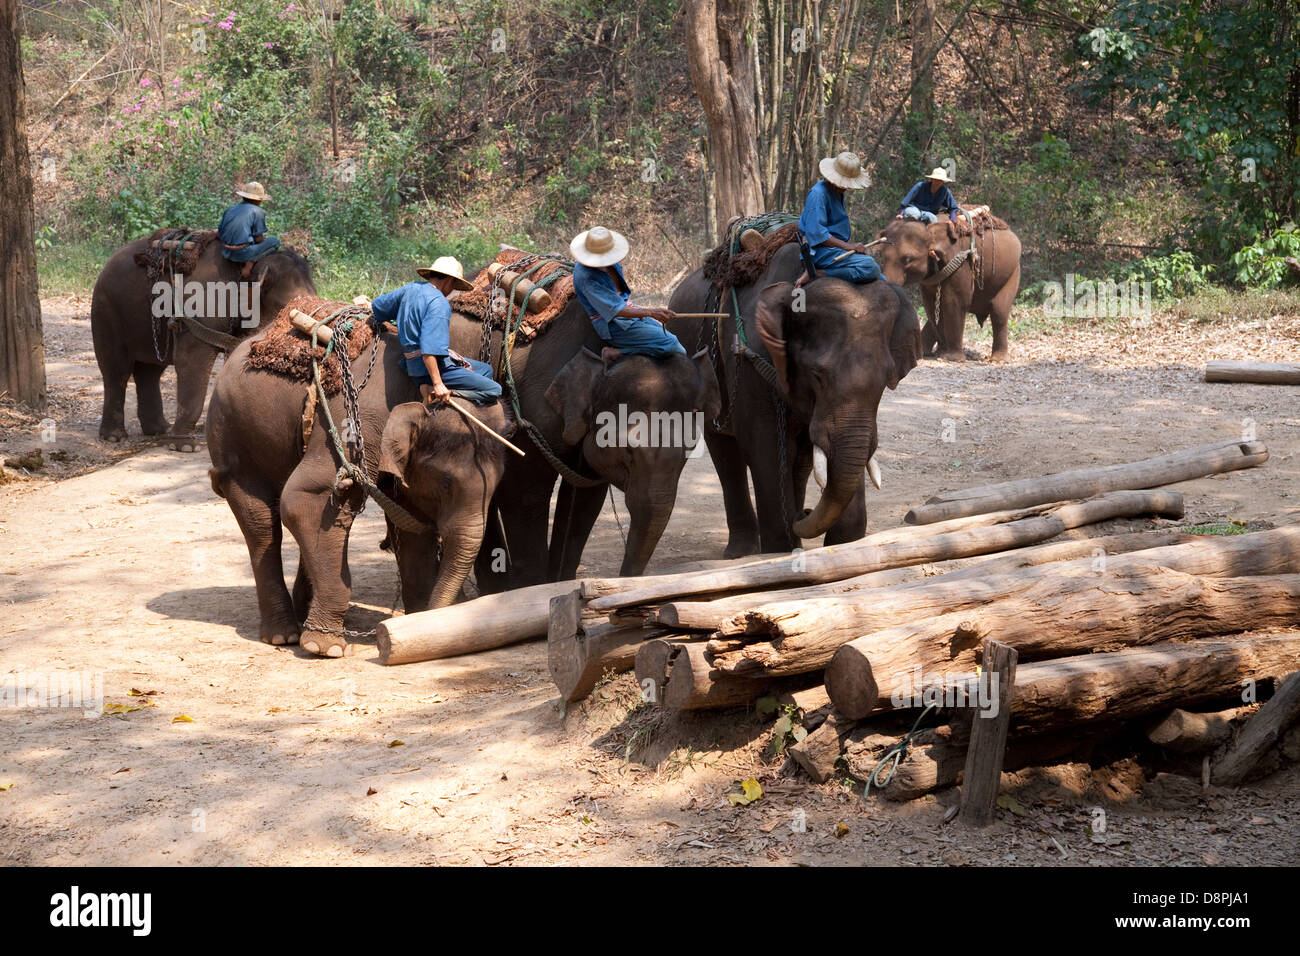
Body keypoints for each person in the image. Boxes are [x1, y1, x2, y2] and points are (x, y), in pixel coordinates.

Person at [366, 257, 502, 406]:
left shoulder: (410, 289)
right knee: (494, 390)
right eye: (454, 284)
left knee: (485, 369)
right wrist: (437, 384)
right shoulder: (439, 304)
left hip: (411, 363)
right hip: (428, 368)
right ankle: (446, 393)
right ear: (449, 280)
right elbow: (429, 350)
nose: (452, 289)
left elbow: (378, 307)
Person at [570, 226, 686, 364]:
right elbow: (616, 310)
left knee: (671, 338)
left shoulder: (612, 264)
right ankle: (618, 352)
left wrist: (647, 312)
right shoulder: (586, 277)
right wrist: (650, 312)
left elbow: (620, 299)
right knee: (673, 346)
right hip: (612, 325)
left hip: (627, 312)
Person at [217, 182, 281, 279]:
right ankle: (249, 265)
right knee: (275, 241)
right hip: (242, 253)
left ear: (243, 197)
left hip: (225, 250)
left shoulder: (231, 209)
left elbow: (220, 230)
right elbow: (259, 239)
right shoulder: (258, 211)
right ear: (259, 200)